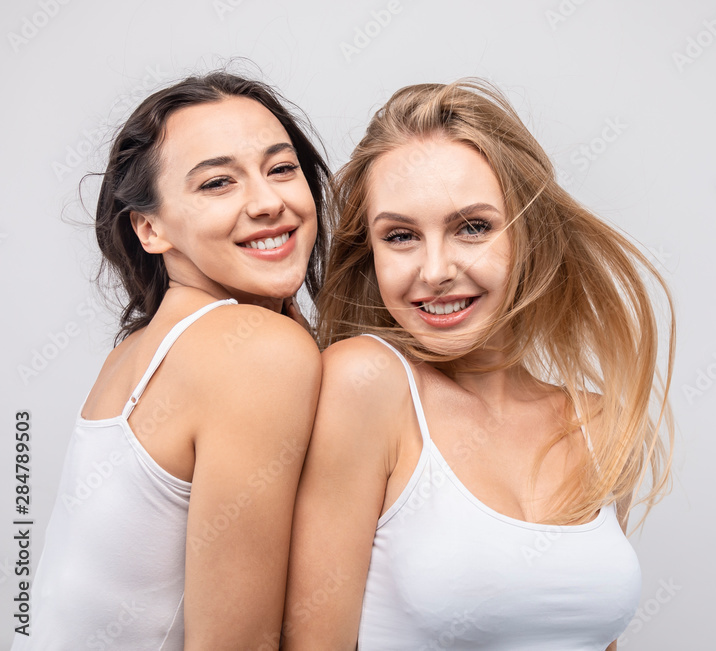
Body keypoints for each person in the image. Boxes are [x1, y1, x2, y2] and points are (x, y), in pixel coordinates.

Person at [283, 79, 675, 650]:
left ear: (529, 235)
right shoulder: (366, 384)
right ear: (370, 253)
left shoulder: (595, 423)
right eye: (400, 236)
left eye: (473, 227)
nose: (436, 269)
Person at [14, 71, 329, 650]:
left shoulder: (141, 349)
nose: (268, 202)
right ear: (150, 228)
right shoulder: (255, 350)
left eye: (281, 169)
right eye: (217, 183)